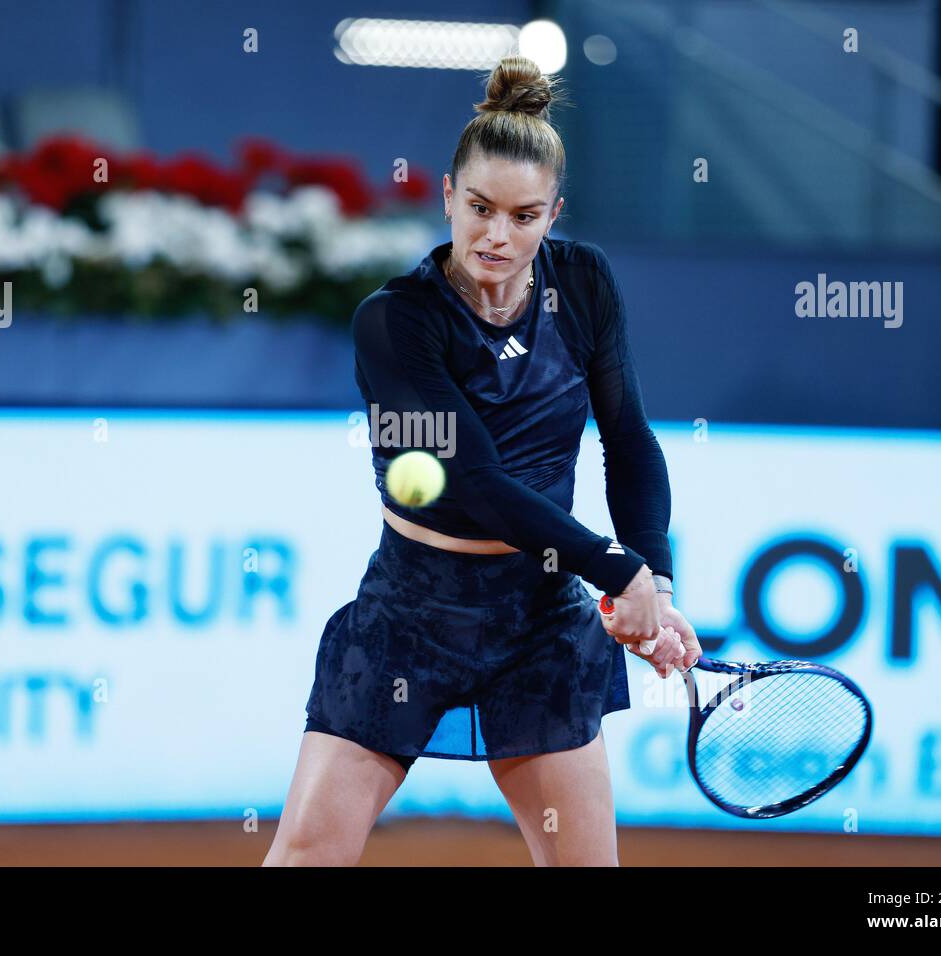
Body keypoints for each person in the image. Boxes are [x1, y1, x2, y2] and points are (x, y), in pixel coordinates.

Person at [263, 55, 701, 867]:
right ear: (446, 197)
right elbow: (477, 483)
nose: (498, 235)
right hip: (409, 614)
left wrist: (658, 579)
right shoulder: (395, 323)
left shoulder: (586, 282)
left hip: (539, 623)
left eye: (526, 215)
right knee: (307, 856)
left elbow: (629, 437)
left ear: (554, 213)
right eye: (480, 208)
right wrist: (618, 570)